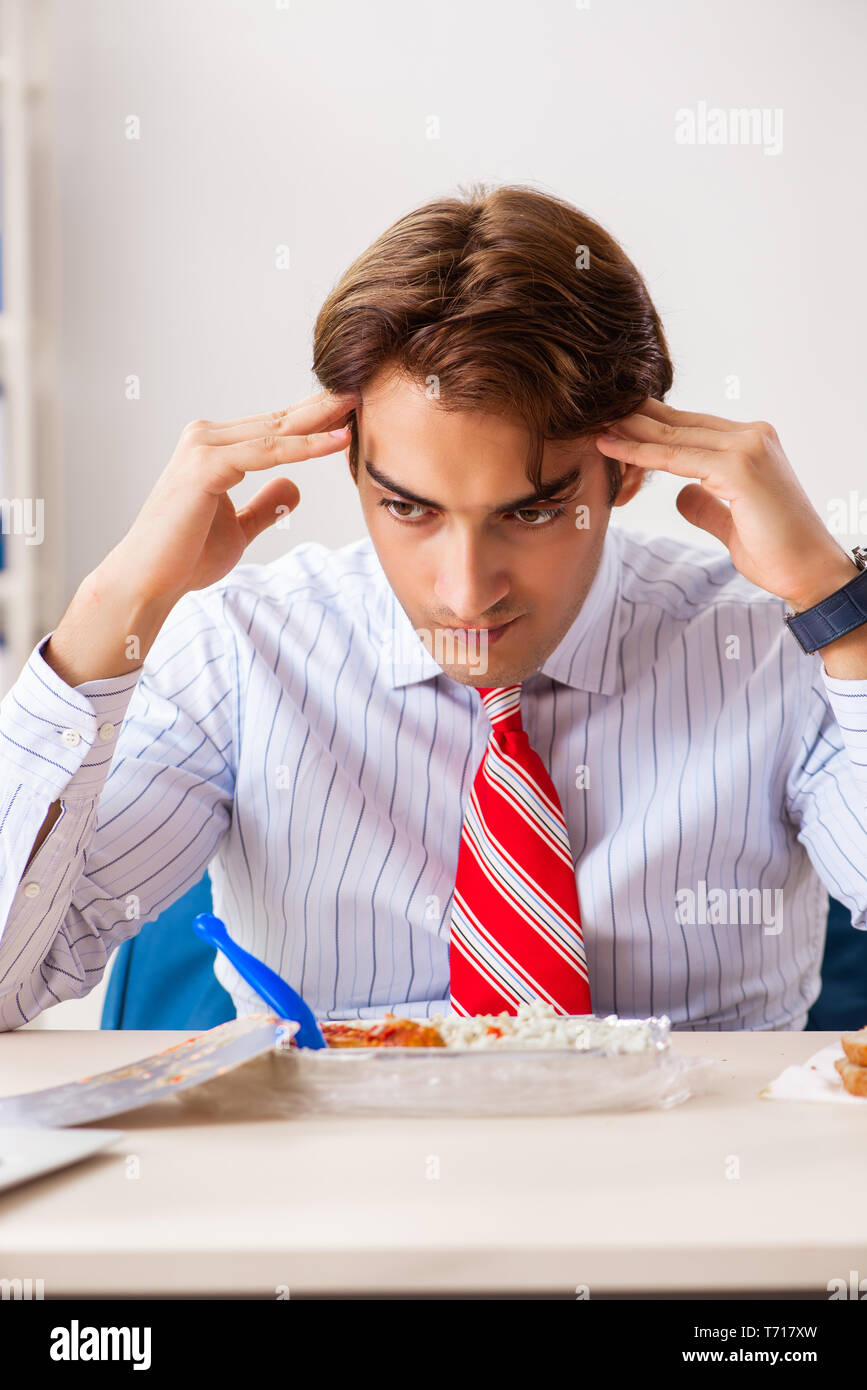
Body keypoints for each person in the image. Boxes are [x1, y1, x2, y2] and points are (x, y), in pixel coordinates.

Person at [1, 181, 865, 1032]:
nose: (464, 591)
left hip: (698, 1162)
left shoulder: (771, 643)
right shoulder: (239, 649)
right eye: (408, 508)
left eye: (528, 512)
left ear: (628, 470)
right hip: (326, 1164)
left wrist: (841, 606)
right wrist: (115, 603)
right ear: (351, 469)